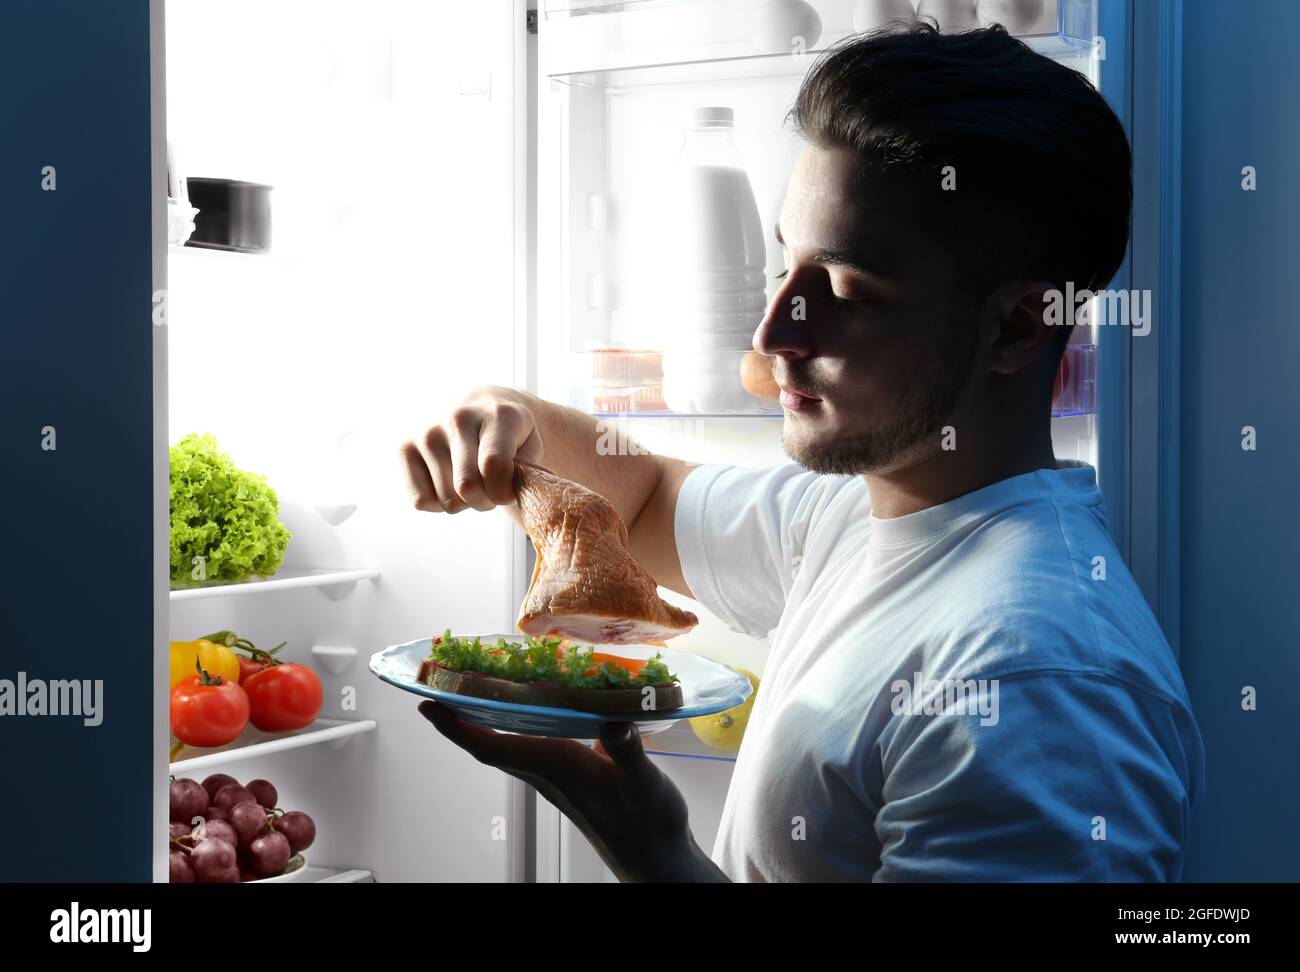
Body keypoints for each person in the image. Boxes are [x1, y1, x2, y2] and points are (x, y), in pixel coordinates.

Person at [399, 22, 1204, 882]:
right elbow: (640, 503)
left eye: (848, 290)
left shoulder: (1038, 686)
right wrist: (511, 413)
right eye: (788, 263)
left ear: (1018, 324)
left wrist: (652, 851)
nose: (773, 329)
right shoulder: (861, 509)